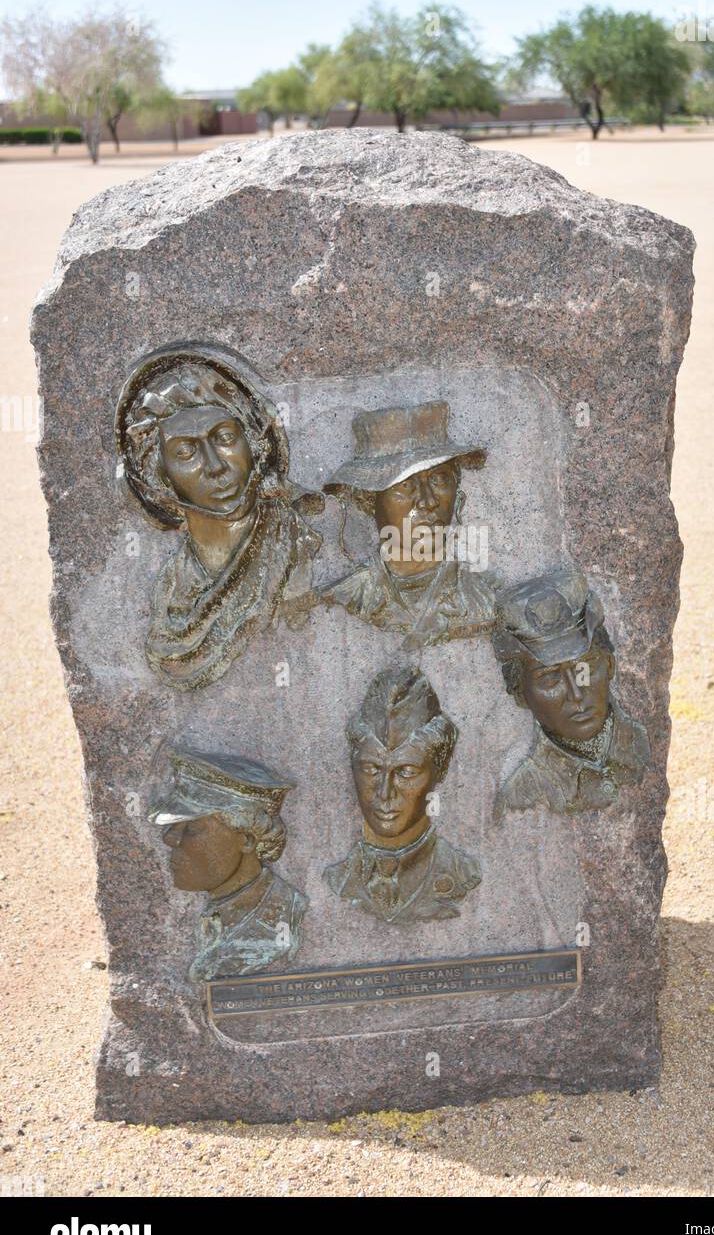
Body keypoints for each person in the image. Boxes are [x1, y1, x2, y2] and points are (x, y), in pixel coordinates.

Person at [117, 350, 322, 689]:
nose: (215, 466)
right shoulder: (173, 588)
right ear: (159, 475)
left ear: (254, 445)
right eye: (185, 452)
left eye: (225, 439)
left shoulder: (295, 545)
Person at [321, 401, 498, 649]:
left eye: (439, 479)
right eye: (405, 485)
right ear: (368, 501)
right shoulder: (342, 599)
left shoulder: (488, 599)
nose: (427, 501)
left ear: (457, 494)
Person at [324, 663, 481, 923]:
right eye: (371, 769)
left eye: (406, 772)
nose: (385, 793)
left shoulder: (462, 874)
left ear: (439, 770)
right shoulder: (338, 880)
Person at [492, 568, 650, 819]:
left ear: (609, 665)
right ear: (520, 693)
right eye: (550, 678)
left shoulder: (642, 746)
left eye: (583, 668)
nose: (576, 695)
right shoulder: (524, 798)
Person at [150, 747, 307, 981]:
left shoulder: (279, 923)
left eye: (192, 828)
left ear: (246, 840)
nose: (169, 838)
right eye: (174, 826)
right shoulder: (218, 909)